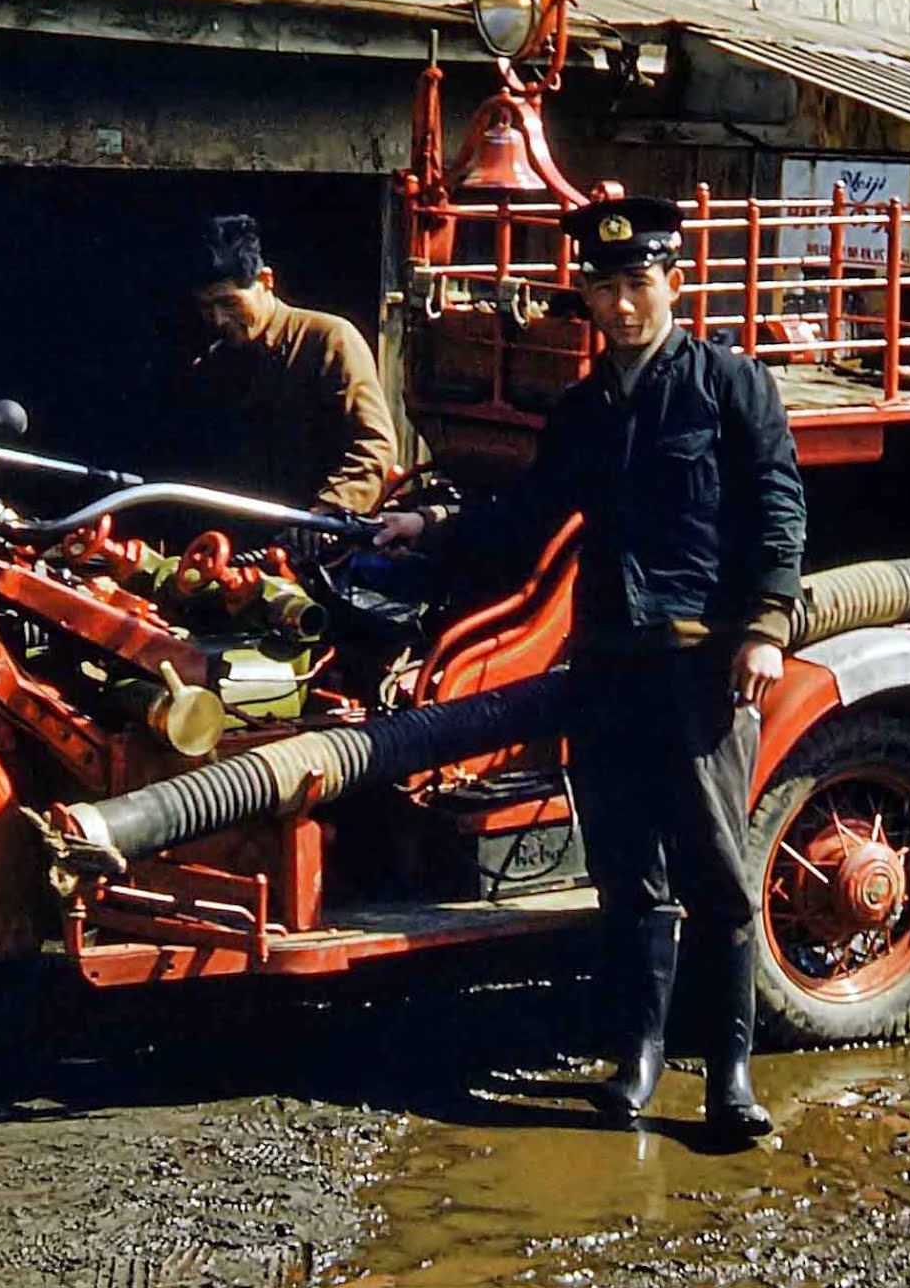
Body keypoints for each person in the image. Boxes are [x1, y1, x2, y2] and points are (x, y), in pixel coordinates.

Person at [375, 196, 807, 1142]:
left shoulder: (730, 388)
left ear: (674, 283)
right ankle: (637, 1060)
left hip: (700, 674)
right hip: (607, 671)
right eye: (604, 288)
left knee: (720, 878)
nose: (620, 305)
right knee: (626, 876)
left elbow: (779, 510)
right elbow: (531, 515)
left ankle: (728, 1076)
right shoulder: (581, 410)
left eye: (637, 284)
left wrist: (768, 623)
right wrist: (432, 530)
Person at [186, 215, 398, 520]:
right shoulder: (213, 366)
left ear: (266, 282)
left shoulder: (328, 340)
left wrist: (330, 512)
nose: (219, 319)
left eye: (229, 303)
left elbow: (374, 444)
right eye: (207, 308)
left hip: (328, 539)